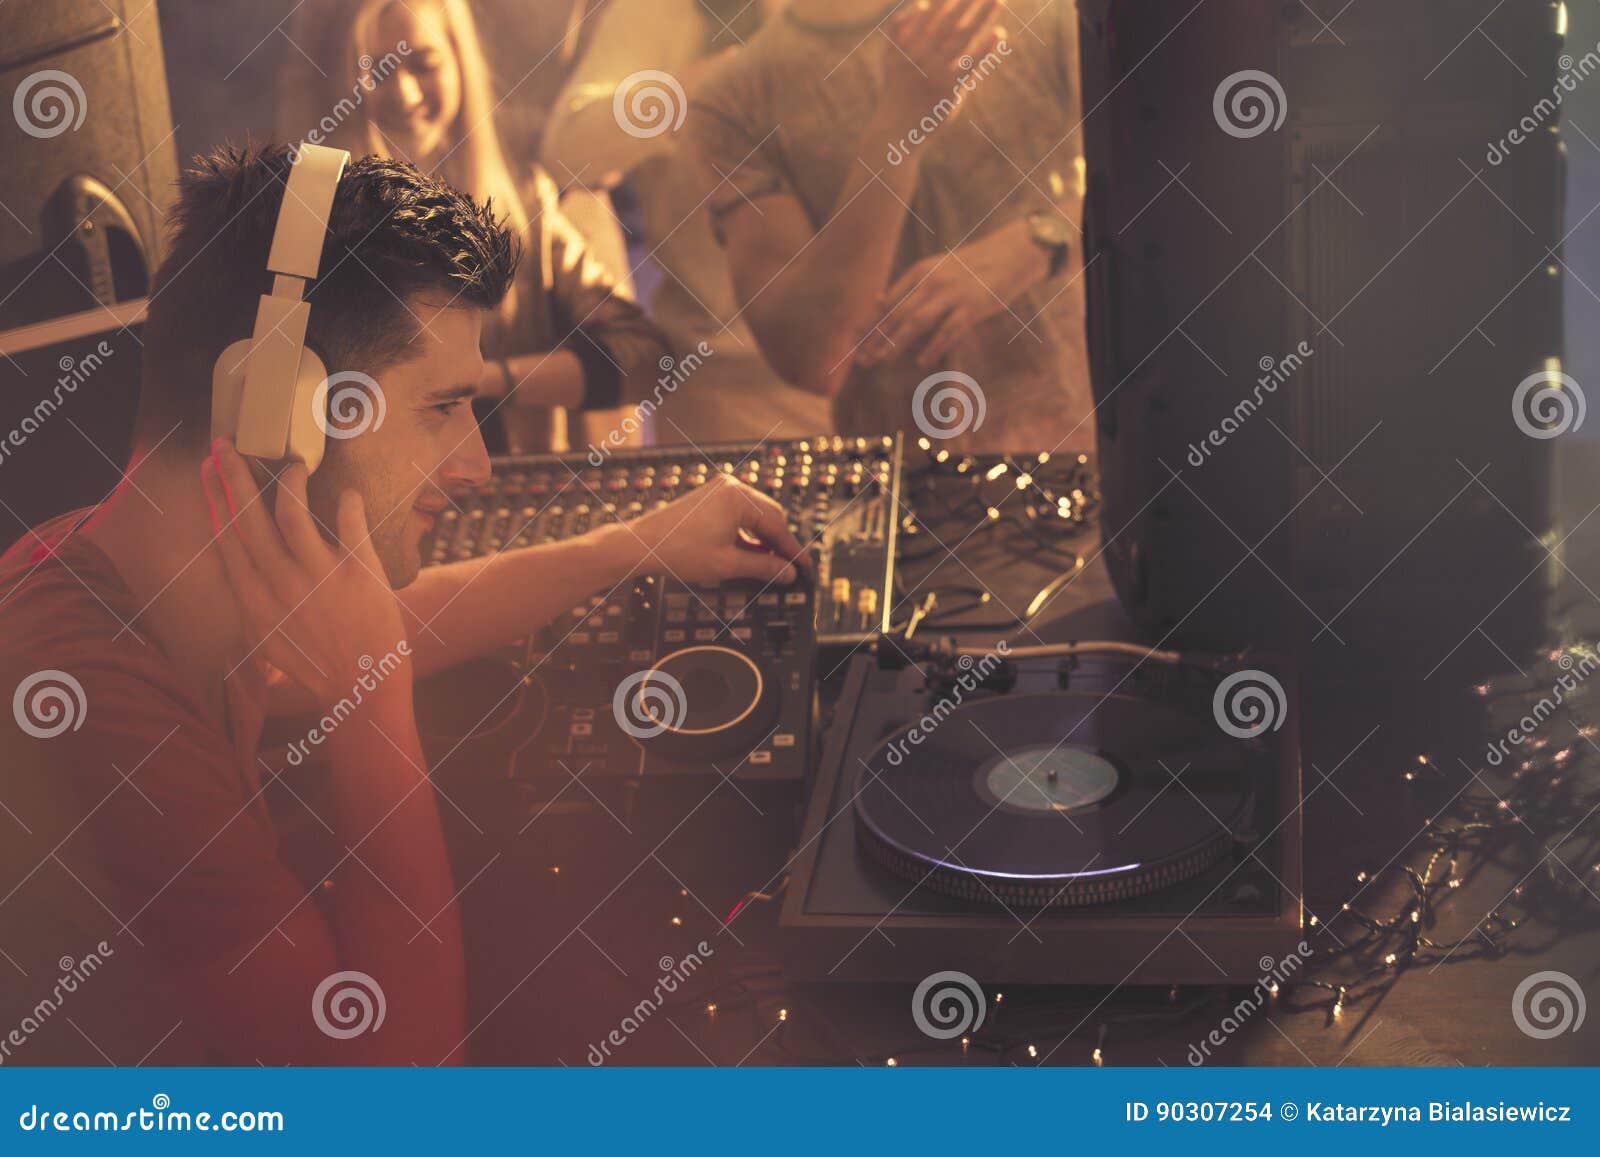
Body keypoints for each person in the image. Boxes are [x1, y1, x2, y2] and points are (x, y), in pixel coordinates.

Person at [0, 144, 809, 1065]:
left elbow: (383, 628)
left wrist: (629, 546)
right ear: (279, 411)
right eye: (441, 408)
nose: (476, 465)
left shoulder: (128, 574)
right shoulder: (87, 709)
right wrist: (372, 705)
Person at [687, 0, 1091, 452]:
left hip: (1085, 445)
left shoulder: (1040, 13)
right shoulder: (733, 98)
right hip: (900, 473)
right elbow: (815, 357)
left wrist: (1036, 244)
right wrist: (900, 125)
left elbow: (1152, 187)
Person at [277, 0, 664, 454]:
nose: (405, 93)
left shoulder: (525, 205)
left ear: (459, 62)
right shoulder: (308, 223)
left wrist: (479, 381)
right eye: (377, 71)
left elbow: (647, 357)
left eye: (424, 64)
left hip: (508, 487)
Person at [542, 0, 832, 444]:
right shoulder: (658, 13)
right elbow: (568, 150)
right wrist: (687, 92)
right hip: (723, 386)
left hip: (877, 364)